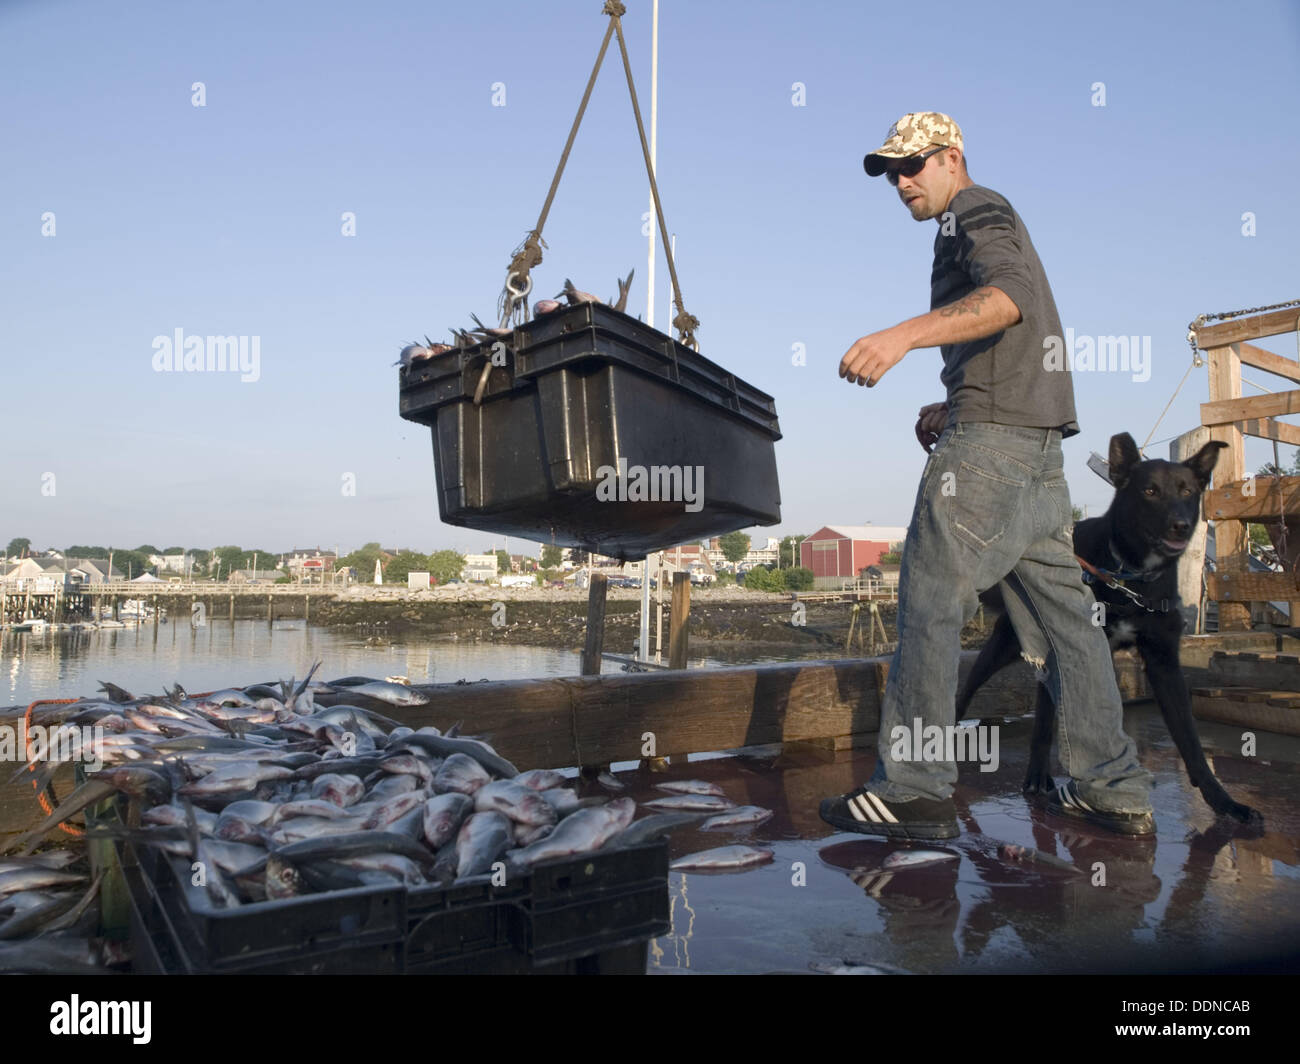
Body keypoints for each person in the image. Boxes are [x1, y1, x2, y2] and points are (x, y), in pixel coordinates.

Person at [818, 112, 1154, 839]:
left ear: (953, 158)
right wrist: (955, 400)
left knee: (931, 598)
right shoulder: (975, 217)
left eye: (915, 166)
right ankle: (1115, 786)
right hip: (1035, 450)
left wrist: (901, 335)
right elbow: (1014, 333)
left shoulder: (975, 209)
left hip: (992, 450)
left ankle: (915, 788)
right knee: (1067, 619)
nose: (902, 182)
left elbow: (1008, 299)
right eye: (891, 172)